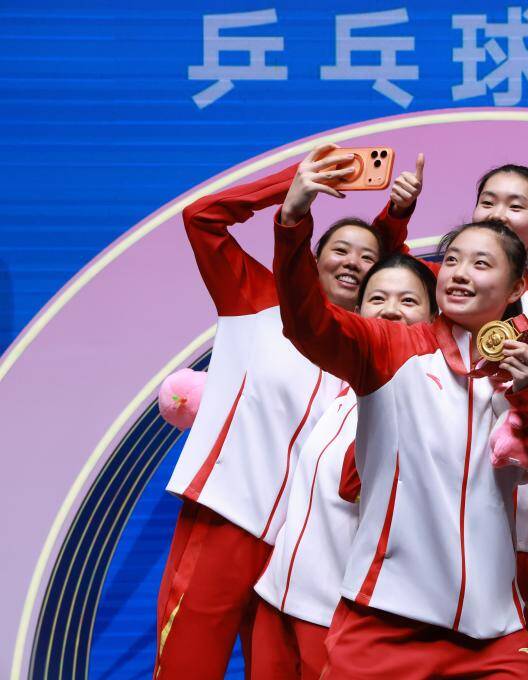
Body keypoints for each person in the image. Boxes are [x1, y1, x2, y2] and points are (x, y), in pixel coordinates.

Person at [273, 145, 528, 680]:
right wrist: (293, 220)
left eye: (482, 264)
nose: (460, 274)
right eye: (453, 261)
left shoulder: (522, 371)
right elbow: (308, 321)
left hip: (494, 637)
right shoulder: (390, 348)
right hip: (383, 624)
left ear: (516, 287)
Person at [155, 155, 401, 679]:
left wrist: (396, 218)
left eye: (367, 257)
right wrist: (289, 189)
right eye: (341, 250)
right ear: (312, 258)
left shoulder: (369, 349)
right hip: (227, 516)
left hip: (306, 546)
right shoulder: (255, 296)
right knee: (188, 668)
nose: (353, 262)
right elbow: (201, 219)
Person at [371, 156, 528, 674]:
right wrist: (396, 214)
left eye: (516, 205)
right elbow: (391, 282)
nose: (500, 213)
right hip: (414, 506)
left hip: (509, 517)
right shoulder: (448, 285)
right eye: (488, 201)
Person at [250, 254, 438, 680]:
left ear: (433, 318)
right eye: (377, 298)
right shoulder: (340, 397)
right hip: (277, 598)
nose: (391, 309)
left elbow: (355, 485)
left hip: (335, 617)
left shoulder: (430, 405)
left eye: (409, 300)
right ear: (356, 312)